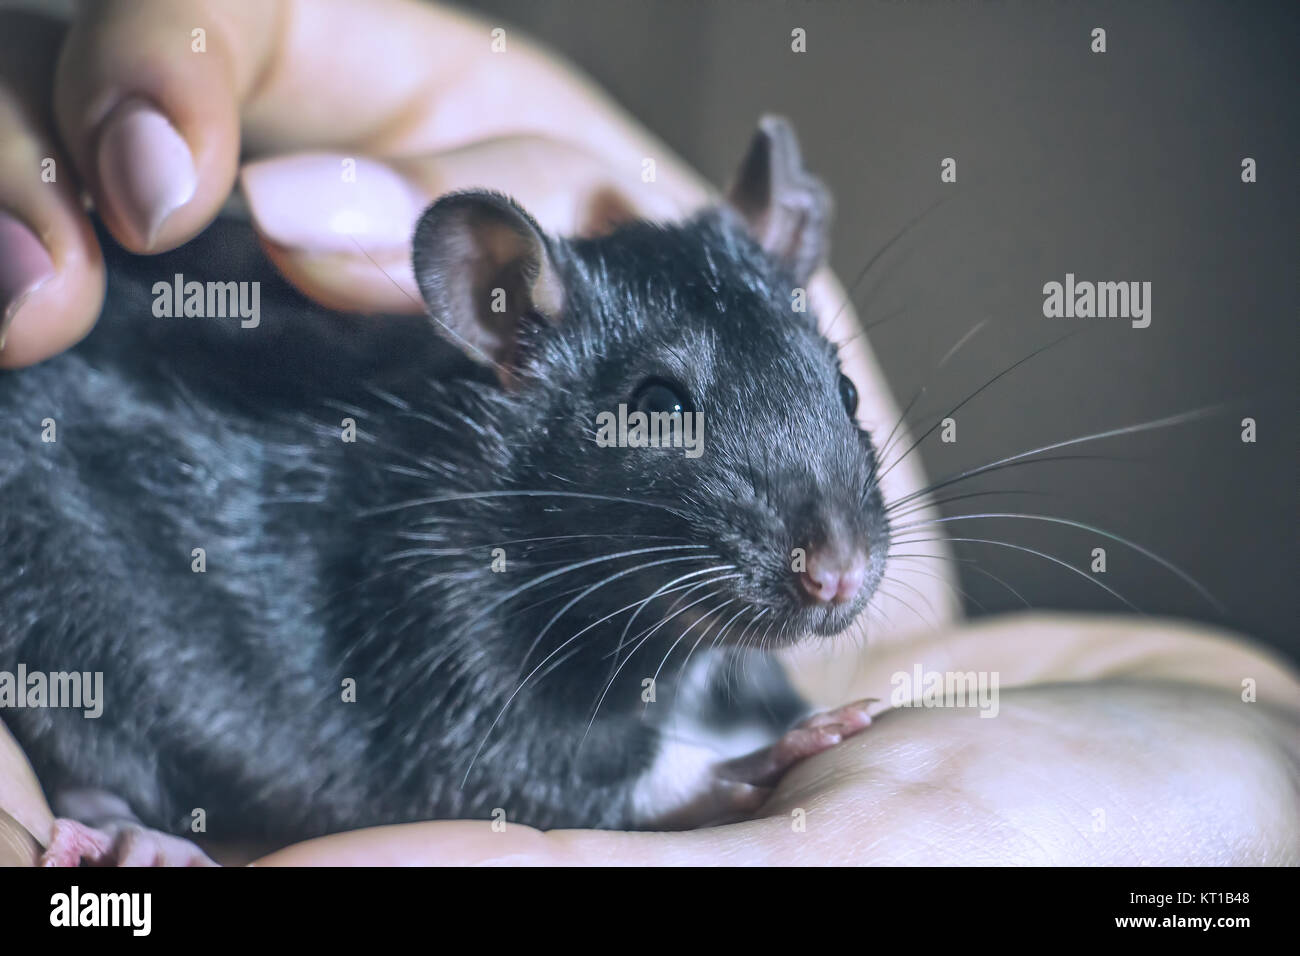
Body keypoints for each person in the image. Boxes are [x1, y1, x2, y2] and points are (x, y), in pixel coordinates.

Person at [0, 0, 1295, 866]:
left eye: (833, 395)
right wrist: (682, 786)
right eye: (666, 412)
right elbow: (481, 754)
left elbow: (728, 705)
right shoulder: (473, 558)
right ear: (502, 317)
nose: (838, 563)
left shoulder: (716, 591)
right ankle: (112, 793)